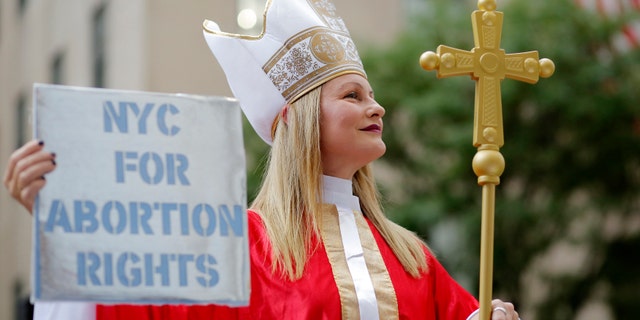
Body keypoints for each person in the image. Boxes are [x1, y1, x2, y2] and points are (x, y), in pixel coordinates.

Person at [4, 0, 521, 319]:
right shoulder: (234, 246)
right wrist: (67, 231)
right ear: (299, 122)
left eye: (371, 95)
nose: (376, 106)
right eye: (352, 96)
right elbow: (135, 303)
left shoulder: (412, 257)